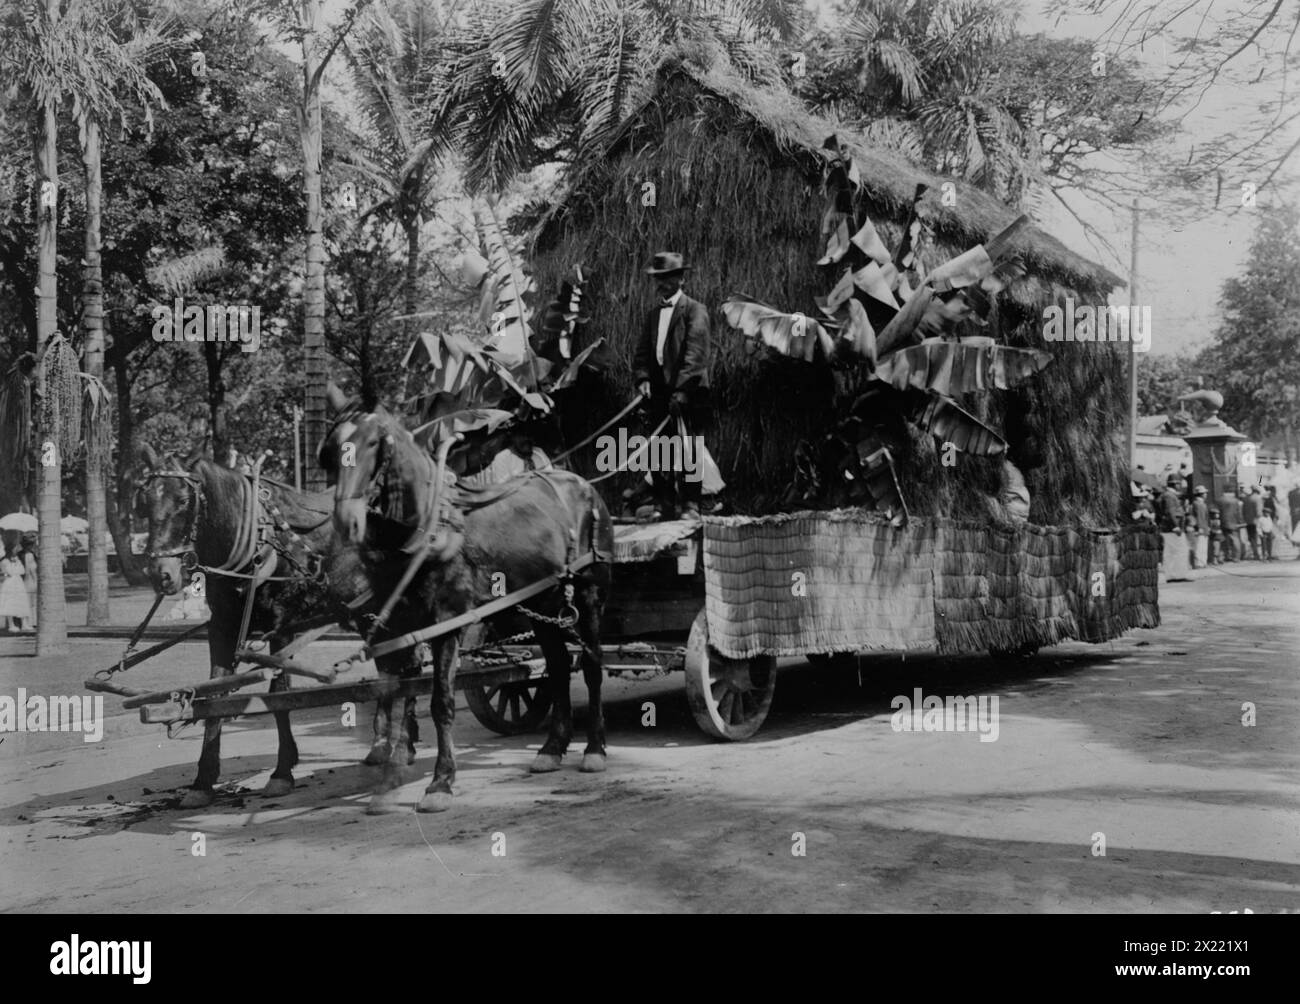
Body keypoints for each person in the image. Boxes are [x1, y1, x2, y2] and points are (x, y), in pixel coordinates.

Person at [633, 251, 714, 520]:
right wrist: (643, 378)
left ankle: (691, 504)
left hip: (687, 392)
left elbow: (696, 354)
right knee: (660, 448)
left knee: (689, 446)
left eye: (668, 278)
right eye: (659, 279)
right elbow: (643, 352)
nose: (662, 284)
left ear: (681, 279)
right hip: (659, 393)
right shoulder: (653, 314)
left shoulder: (695, 310)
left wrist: (681, 390)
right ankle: (663, 504)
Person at [0, 530, 34, 633]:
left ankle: (24, 624)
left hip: (18, 582)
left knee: (22, 602)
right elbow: (10, 572)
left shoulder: (17, 560)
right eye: (15, 548)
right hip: (10, 583)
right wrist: (15, 567)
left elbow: (22, 570)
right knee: (10, 603)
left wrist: (16, 565)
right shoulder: (4, 561)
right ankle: (11, 624)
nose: (16, 550)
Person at [1216, 487, 1241, 562]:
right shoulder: (1236, 501)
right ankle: (1236, 557)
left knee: (1223, 540)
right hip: (1233, 523)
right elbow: (1238, 513)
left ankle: (1223, 556)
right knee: (1235, 540)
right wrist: (1239, 522)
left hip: (1223, 522)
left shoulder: (1220, 500)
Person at [1190, 485, 1210, 568]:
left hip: (1203, 527)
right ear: (1201, 494)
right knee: (1199, 546)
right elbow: (1199, 517)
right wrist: (1200, 527)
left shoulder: (1199, 503)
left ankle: (1202, 562)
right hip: (1201, 528)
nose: (1206, 494)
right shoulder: (1198, 504)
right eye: (1205, 493)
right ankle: (1199, 563)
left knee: (1202, 545)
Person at [1241, 486, 1262, 560]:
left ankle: (1255, 553)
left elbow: (1243, 511)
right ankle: (1258, 554)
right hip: (1256, 521)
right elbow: (1258, 512)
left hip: (1248, 521)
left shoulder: (1246, 499)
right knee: (1259, 537)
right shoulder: (1257, 498)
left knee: (1252, 538)